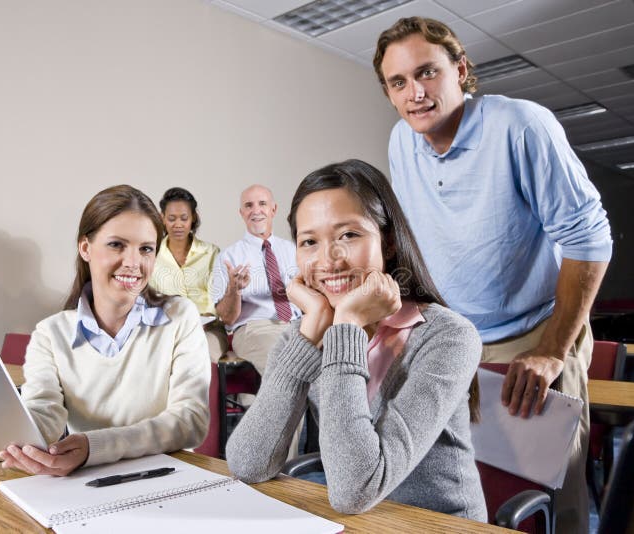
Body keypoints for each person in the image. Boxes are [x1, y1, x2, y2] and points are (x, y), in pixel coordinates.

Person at [374, 16, 612, 532]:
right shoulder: (400, 141)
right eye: (399, 82)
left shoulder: (522, 125)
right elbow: (422, 244)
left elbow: (590, 238)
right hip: (456, 341)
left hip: (535, 337)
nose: (415, 92)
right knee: (470, 490)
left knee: (547, 494)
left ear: (460, 69)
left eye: (428, 73)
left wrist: (552, 349)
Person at [0, 185, 210, 476]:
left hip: (170, 477)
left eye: (146, 248)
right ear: (85, 248)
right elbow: (42, 423)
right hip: (87, 482)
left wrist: (94, 447)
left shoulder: (180, 317)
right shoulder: (51, 334)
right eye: (117, 245)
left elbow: (190, 421)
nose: (133, 262)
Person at [226, 160, 486, 520]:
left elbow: (354, 489)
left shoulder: (448, 337)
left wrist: (346, 323)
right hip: (359, 524)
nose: (329, 260)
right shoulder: (305, 333)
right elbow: (247, 463)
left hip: (435, 525)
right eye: (309, 242)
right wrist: (313, 331)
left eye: (348, 235)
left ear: (389, 242)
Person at [210, 185, 301, 377]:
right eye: (249, 206)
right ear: (241, 213)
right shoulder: (229, 257)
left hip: (298, 326)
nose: (256, 211)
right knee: (284, 365)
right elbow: (227, 318)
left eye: (262, 204)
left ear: (273, 209)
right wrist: (235, 289)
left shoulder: (294, 251)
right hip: (255, 329)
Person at [150, 187, 227, 362]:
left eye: (184, 218)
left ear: (193, 218)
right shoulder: (151, 255)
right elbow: (149, 299)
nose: (178, 224)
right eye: (171, 218)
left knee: (197, 357)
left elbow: (218, 299)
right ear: (162, 219)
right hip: (166, 330)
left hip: (208, 330)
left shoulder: (211, 253)